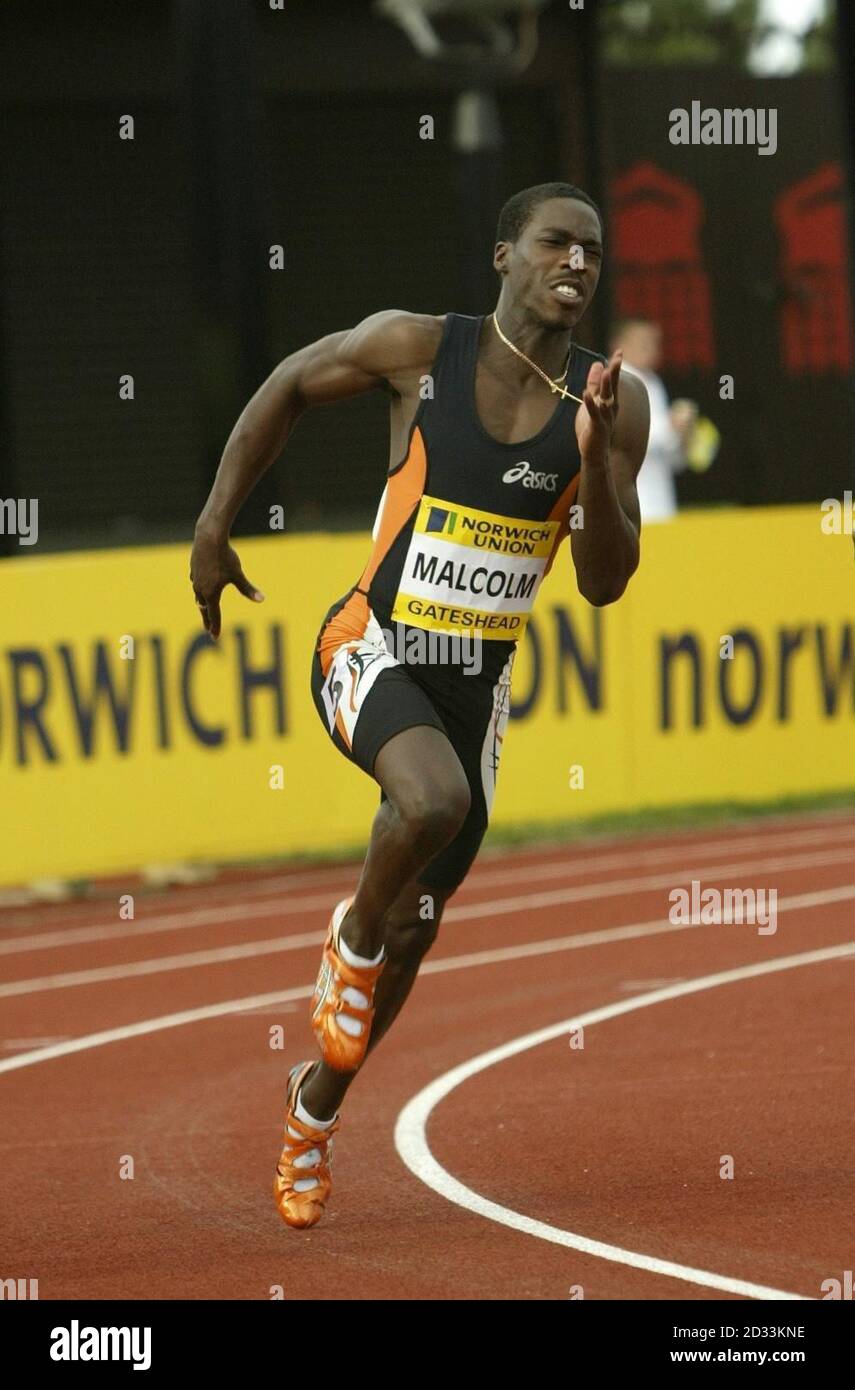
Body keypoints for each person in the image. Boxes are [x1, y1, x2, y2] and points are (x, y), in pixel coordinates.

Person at [189, 181, 650, 1230]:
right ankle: (348, 932)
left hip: (473, 690)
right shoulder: (417, 349)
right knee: (429, 807)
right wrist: (214, 525)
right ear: (504, 255)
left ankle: (313, 1109)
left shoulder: (609, 401)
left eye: (591, 250)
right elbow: (288, 383)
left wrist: (593, 467)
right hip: (369, 644)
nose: (577, 263)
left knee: (414, 936)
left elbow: (604, 582)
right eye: (556, 243)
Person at [610, 318, 697, 523]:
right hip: (628, 503)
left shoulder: (654, 383)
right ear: (619, 345)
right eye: (643, 342)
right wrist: (670, 424)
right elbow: (621, 437)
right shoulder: (612, 380)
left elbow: (674, 459)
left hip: (661, 501)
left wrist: (683, 436)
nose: (651, 348)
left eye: (655, 342)